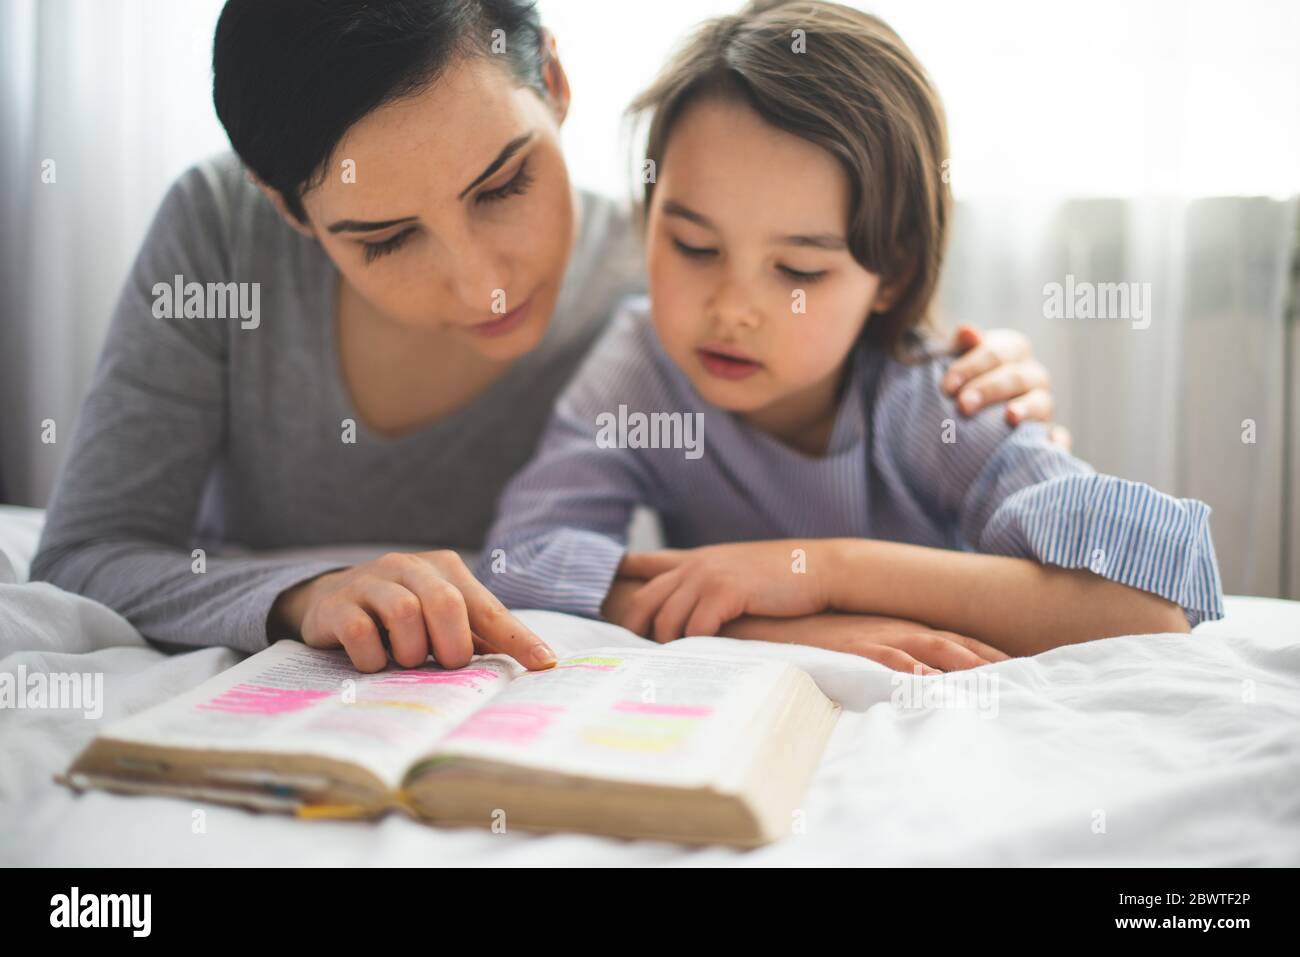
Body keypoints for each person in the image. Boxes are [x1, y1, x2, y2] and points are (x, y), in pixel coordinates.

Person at [33, 0, 1063, 674]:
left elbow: (858, 300)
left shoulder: (670, 276)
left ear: (557, 86)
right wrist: (300, 593)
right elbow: (89, 552)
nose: (483, 284)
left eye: (505, 183)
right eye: (386, 238)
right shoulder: (222, 230)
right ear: (288, 209)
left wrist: (975, 375)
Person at [479, 0, 1224, 672]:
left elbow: (1145, 610)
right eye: (694, 248)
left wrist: (817, 571)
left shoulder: (937, 395)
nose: (733, 308)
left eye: (799, 269)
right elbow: (523, 560)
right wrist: (767, 629)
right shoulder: (639, 366)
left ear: (891, 276)